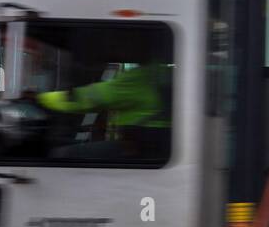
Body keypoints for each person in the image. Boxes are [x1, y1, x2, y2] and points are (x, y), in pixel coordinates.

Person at [36, 61, 171, 161]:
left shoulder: (141, 77)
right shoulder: (169, 74)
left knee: (61, 154)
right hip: (162, 147)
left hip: (139, 149)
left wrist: (40, 98)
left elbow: (87, 99)